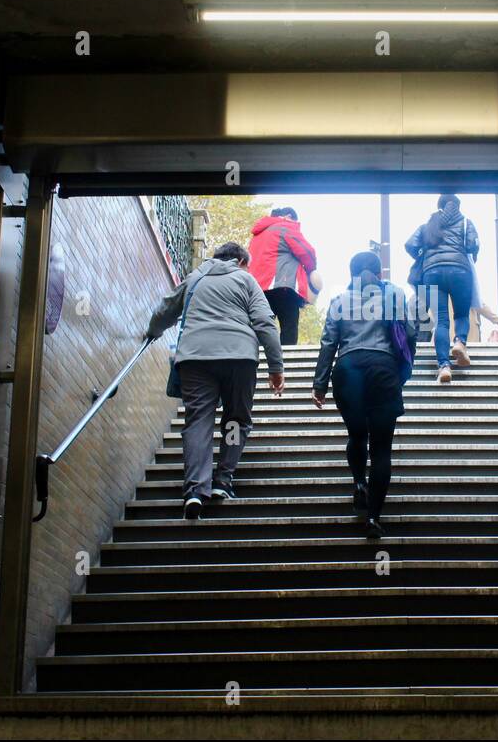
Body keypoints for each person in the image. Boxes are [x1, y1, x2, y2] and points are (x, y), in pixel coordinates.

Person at [146, 242, 284, 519]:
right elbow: (264, 322)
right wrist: (275, 366)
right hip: (239, 358)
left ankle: (196, 490)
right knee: (235, 419)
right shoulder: (245, 279)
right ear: (242, 262)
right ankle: (223, 480)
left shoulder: (194, 278)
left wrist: (153, 332)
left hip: (195, 358)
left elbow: (165, 311)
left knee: (198, 421)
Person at [312, 252, 417, 538]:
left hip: (348, 369)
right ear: (378, 273)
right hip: (383, 369)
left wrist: (319, 384)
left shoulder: (339, 301)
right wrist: (402, 370)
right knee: (382, 448)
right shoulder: (394, 294)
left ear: (352, 274)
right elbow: (409, 332)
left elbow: (328, 343)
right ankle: (373, 518)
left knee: (357, 435)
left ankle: (359, 483)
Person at [405, 193, 479, 383]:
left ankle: (444, 366)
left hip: (432, 272)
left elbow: (410, 244)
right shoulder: (465, 223)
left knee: (442, 321)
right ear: (458, 206)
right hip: (460, 271)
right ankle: (460, 342)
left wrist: (424, 254)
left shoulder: (428, 225)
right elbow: (472, 245)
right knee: (461, 315)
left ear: (439, 206)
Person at [248, 207, 318, 346]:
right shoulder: (285, 226)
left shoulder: (257, 235)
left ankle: (260, 362)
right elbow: (307, 252)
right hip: (282, 285)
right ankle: (286, 363)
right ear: (288, 216)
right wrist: (311, 272)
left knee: (263, 327)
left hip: (258, 289)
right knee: (289, 326)